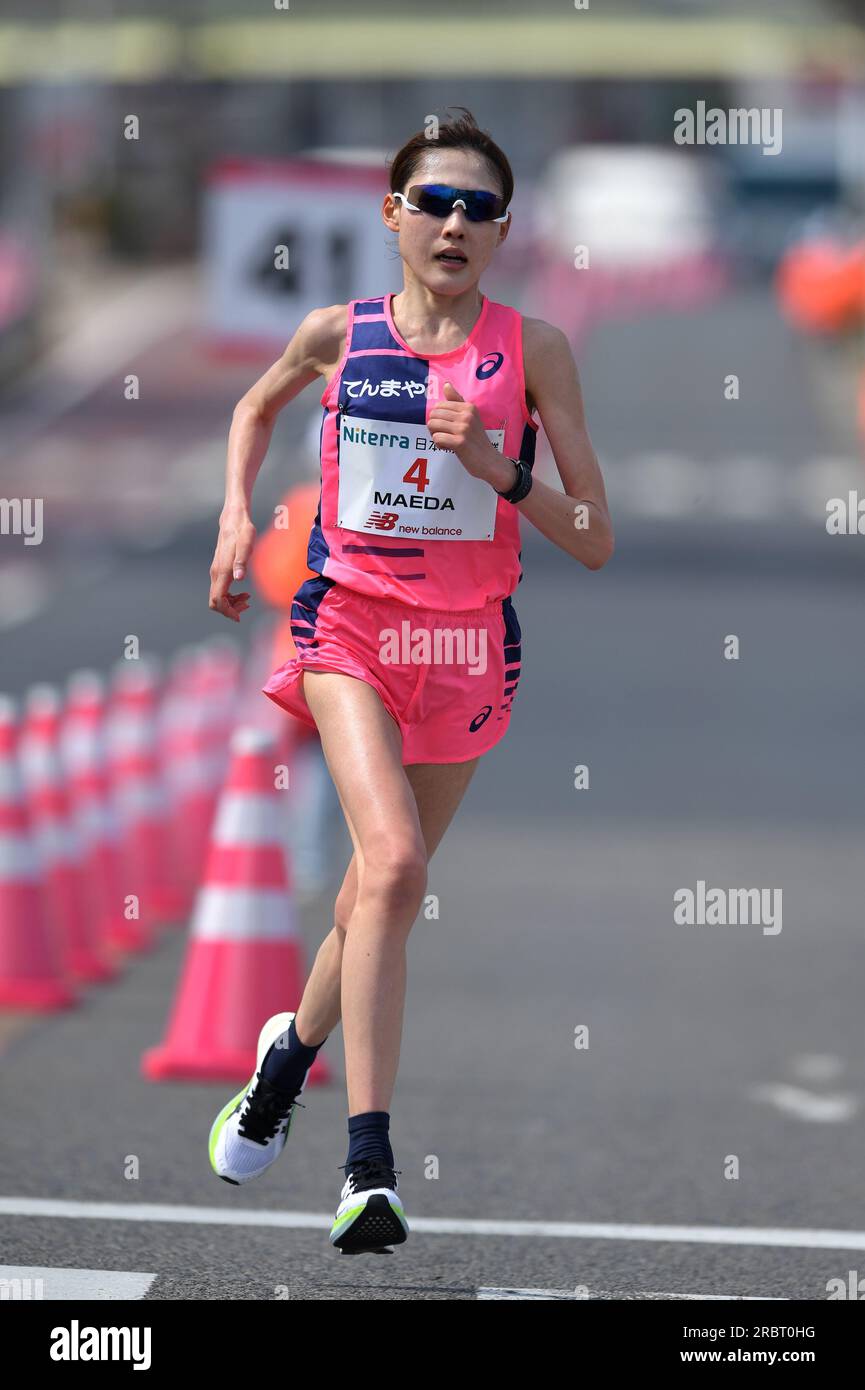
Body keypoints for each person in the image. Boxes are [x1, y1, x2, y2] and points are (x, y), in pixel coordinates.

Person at [206, 107, 613, 1255]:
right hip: (348, 630)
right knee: (390, 864)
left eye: (478, 208)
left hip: (467, 649)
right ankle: (367, 1165)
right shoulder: (340, 332)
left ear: (503, 232)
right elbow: (253, 405)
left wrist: (497, 464)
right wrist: (237, 519)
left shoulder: (531, 353)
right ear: (390, 217)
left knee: (379, 899)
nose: (453, 222)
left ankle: (281, 1065)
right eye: (432, 201)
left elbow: (592, 535)